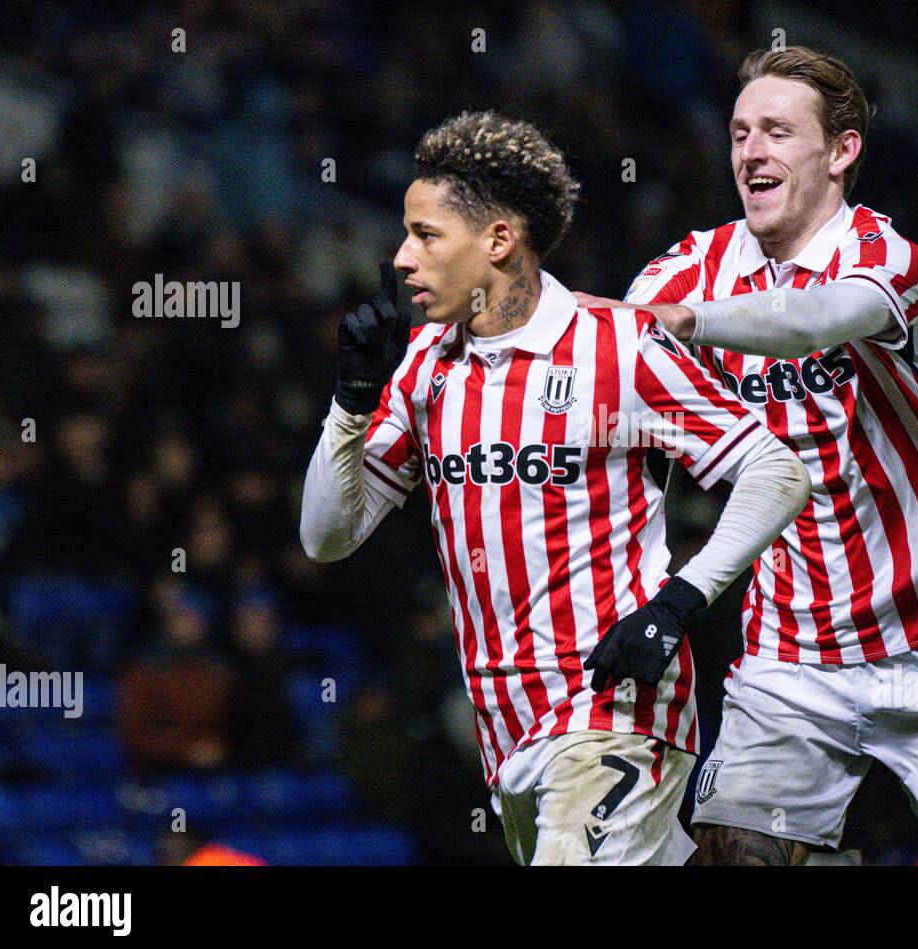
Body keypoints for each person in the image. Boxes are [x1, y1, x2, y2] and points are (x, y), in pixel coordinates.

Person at [579, 46, 918, 865]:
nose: (750, 151)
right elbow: (615, 373)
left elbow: (812, 318)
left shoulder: (885, 259)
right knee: (734, 852)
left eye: (776, 131)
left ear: (841, 152)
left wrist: (687, 322)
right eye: (739, 133)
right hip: (790, 655)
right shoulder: (694, 265)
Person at [300, 111, 809, 866]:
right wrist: (351, 397)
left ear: (498, 240)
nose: (403, 258)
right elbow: (326, 536)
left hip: (618, 706)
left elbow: (776, 470)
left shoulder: (619, 345)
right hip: (505, 728)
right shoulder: (425, 370)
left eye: (426, 235)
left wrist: (677, 604)